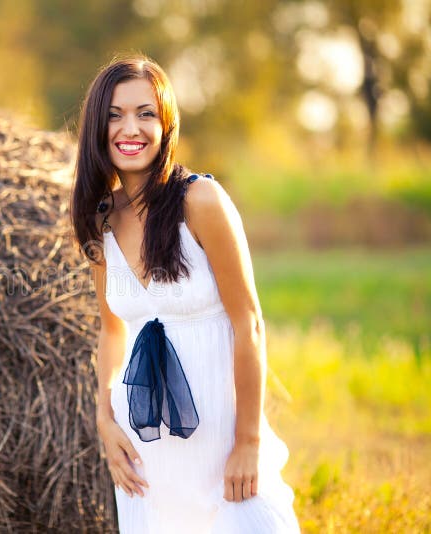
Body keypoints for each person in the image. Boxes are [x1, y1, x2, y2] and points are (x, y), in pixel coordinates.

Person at [69, 55, 301, 533]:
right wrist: (104, 418)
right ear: (96, 126)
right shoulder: (100, 220)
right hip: (145, 451)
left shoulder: (201, 201)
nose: (129, 127)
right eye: (114, 115)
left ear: (166, 123)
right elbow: (112, 329)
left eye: (145, 113)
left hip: (223, 441)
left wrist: (249, 441)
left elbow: (248, 323)